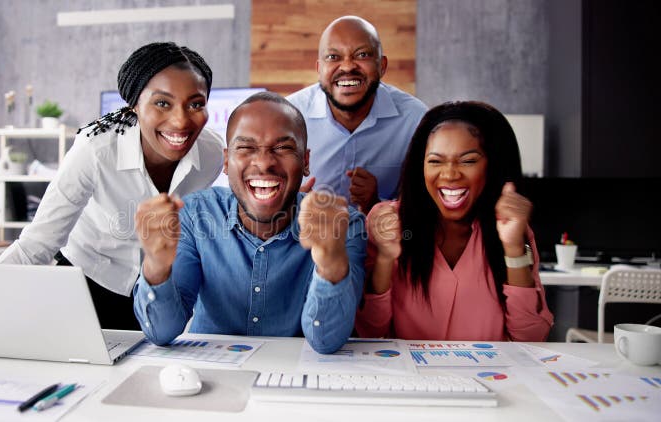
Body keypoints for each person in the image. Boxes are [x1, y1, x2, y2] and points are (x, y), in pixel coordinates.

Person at [0, 42, 223, 342]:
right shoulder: (96, 150)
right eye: (162, 102)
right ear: (135, 104)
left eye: (196, 104)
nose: (181, 120)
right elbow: (35, 245)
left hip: (157, 292)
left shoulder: (210, 154)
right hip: (85, 286)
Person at [132, 92, 366, 354]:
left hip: (291, 378)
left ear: (306, 161)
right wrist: (155, 265)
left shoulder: (344, 226)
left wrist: (331, 263)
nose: (264, 163)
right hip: (210, 376)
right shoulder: (195, 217)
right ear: (226, 161)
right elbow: (161, 333)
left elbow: (326, 340)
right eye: (246, 148)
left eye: (283, 148)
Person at [355, 101, 554, 341]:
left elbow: (530, 338)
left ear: (491, 167)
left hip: (488, 376)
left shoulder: (510, 228)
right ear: (420, 167)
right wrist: (386, 259)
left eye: (468, 161)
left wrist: (513, 249)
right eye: (435, 161)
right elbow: (370, 332)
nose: (449, 174)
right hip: (411, 377)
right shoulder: (387, 221)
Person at [287, 16, 427, 214]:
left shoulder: (414, 120)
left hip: (383, 241)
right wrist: (287, 206)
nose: (347, 66)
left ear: (382, 66)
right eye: (333, 57)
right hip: (303, 239)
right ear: (319, 69)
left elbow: (426, 206)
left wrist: (377, 204)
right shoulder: (289, 116)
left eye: (362, 55)